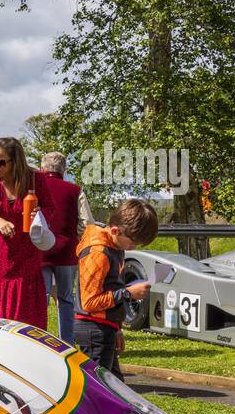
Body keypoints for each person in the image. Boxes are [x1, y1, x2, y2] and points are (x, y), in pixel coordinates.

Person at [74, 199, 159, 374]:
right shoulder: (98, 253)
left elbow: (110, 286)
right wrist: (128, 293)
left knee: (115, 388)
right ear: (115, 230)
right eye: (132, 243)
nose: (134, 248)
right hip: (93, 330)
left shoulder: (115, 245)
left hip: (105, 327)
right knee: (101, 391)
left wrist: (116, 329)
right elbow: (89, 302)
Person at [0, 137, 51, 329]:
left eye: (1, 162)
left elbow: (51, 208)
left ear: (15, 161)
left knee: (24, 323)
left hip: (24, 260)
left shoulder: (35, 179)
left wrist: (39, 214)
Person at [38, 151, 84, 341]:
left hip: (40, 251)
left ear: (42, 169)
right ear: (63, 170)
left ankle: (38, 339)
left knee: (41, 298)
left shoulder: (35, 189)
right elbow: (85, 221)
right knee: (66, 299)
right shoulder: (74, 190)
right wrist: (75, 235)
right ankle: (67, 341)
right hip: (66, 251)